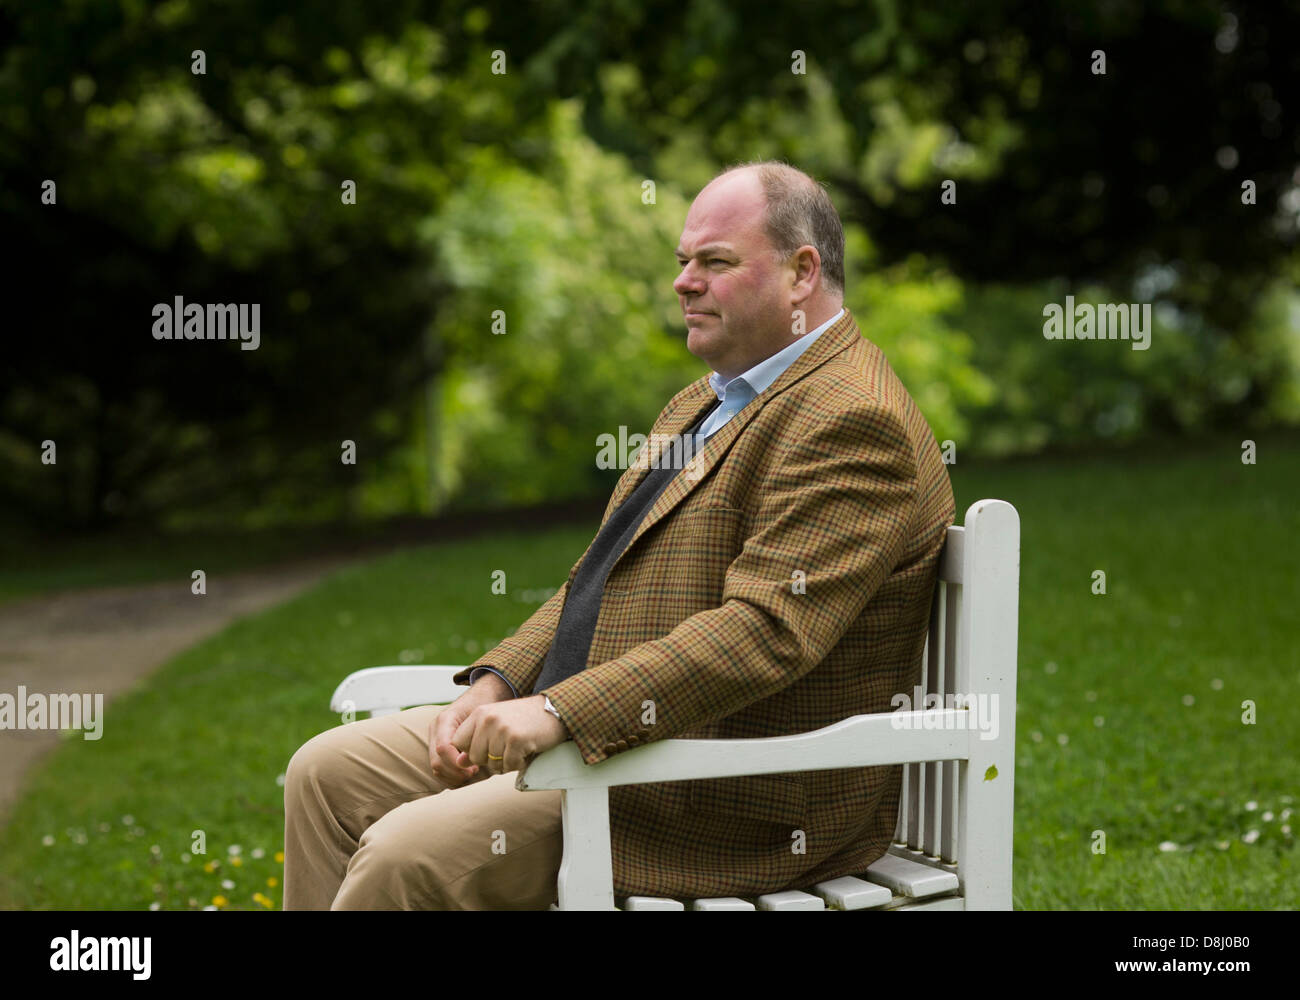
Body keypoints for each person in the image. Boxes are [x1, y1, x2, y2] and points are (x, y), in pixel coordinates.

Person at [283, 160, 955, 909]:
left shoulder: (852, 420)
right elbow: (597, 577)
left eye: (714, 262)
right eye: (682, 261)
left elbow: (766, 631)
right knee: (326, 773)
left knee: (406, 857)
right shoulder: (705, 401)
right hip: (611, 738)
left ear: (802, 272)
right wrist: (500, 681)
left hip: (716, 792)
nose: (683, 282)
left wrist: (557, 712)